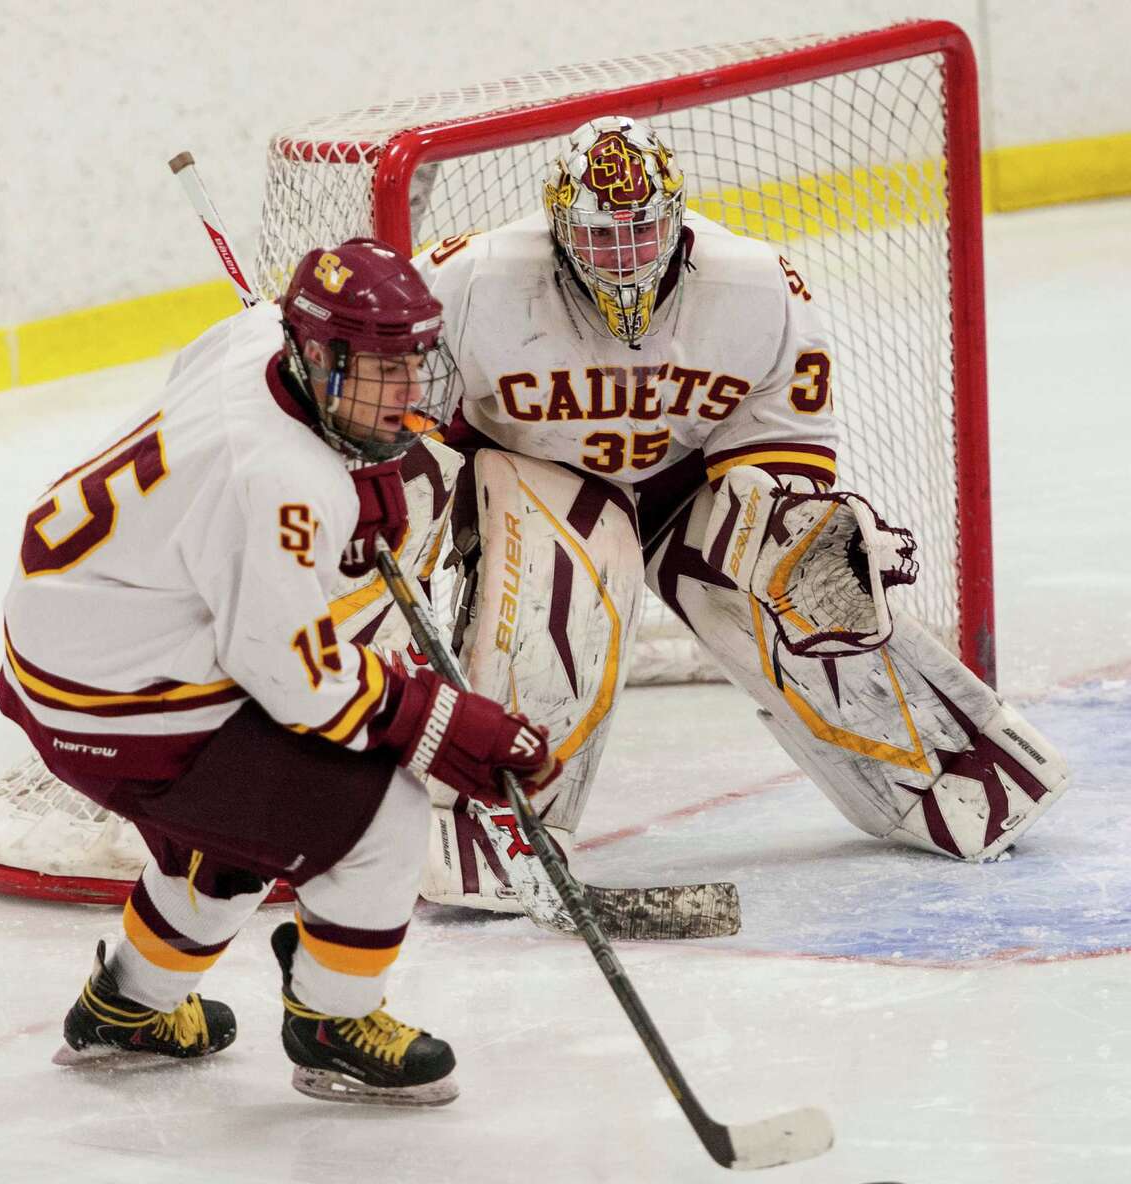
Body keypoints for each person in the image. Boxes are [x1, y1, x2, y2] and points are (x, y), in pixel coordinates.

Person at [410, 116, 1068, 913]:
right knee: (578, 559)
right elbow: (406, 432)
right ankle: (501, 825)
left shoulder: (756, 285)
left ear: (679, 215)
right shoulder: (473, 280)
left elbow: (783, 446)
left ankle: (945, 772)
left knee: (793, 567)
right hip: (532, 476)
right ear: (557, 227)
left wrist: (807, 540)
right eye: (603, 238)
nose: (628, 258)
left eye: (646, 233)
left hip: (686, 482)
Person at [0, 238, 557, 1105]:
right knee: (380, 799)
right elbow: (293, 677)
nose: (408, 391)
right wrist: (439, 720)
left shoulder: (258, 334)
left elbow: (199, 386)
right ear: (319, 355)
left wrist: (349, 483)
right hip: (122, 698)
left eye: (414, 359)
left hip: (74, 643)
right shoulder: (283, 480)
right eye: (379, 369)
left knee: (239, 824)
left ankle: (128, 1008)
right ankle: (333, 1022)